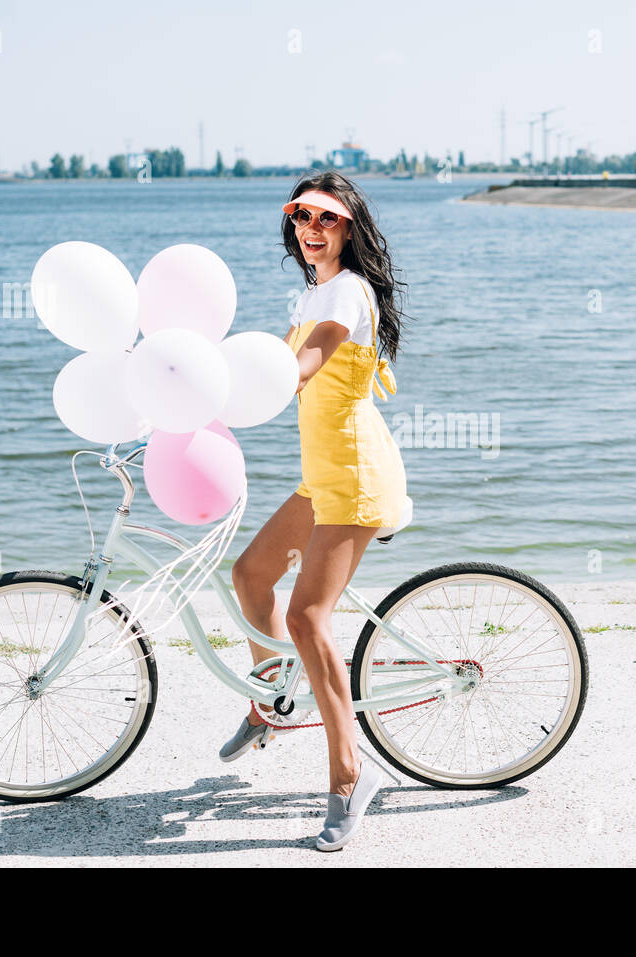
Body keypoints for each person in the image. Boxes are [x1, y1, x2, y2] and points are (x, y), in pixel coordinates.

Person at [220, 170, 409, 851]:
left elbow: (303, 365)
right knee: (249, 575)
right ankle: (271, 702)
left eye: (326, 218)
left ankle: (349, 776)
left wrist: (254, 379)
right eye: (302, 216)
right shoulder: (308, 292)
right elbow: (272, 369)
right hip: (321, 476)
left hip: (356, 476)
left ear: (349, 228)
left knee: (306, 616)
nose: (311, 228)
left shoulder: (348, 294)